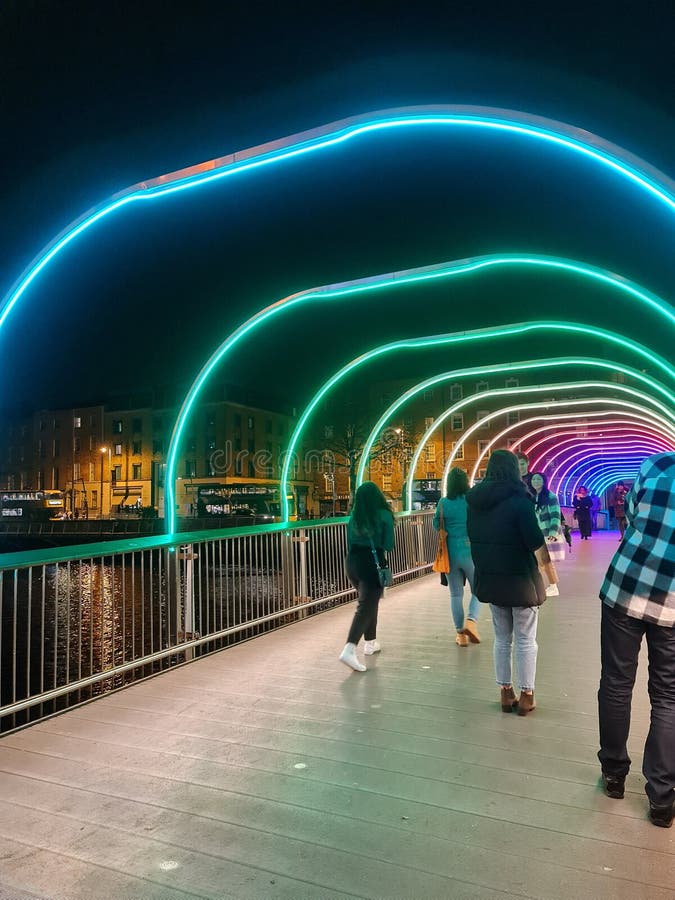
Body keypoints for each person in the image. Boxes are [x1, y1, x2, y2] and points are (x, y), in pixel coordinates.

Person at [597, 453, 675, 828]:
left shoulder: (656, 467)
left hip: (625, 587)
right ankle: (661, 797)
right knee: (668, 696)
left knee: (615, 682)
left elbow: (631, 519)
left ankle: (613, 774)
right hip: (673, 605)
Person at [466, 450, 546, 715]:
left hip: (491, 579)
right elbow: (534, 540)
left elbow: (473, 537)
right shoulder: (520, 501)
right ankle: (527, 695)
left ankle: (505, 692)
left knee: (502, 639)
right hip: (521, 579)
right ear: (514, 470)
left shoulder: (475, 503)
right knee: (525, 639)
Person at [339, 481, 395, 672]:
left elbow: (349, 541)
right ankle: (349, 648)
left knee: (370, 602)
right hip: (372, 563)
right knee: (366, 606)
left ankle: (370, 643)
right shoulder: (384, 515)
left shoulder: (354, 517)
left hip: (352, 563)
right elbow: (388, 545)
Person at [433, 467, 480, 647]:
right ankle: (471, 621)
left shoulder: (443, 502)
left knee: (455, 595)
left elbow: (436, 523)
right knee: (478, 590)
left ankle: (460, 635)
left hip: (450, 553)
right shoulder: (471, 501)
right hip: (470, 551)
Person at [530, 471, 562, 597]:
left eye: (538, 479)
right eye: (533, 480)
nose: (536, 482)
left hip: (547, 534)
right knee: (541, 561)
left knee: (543, 561)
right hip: (538, 533)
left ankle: (552, 586)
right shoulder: (534, 497)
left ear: (544, 481)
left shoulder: (550, 496)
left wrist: (553, 532)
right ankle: (549, 586)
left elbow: (555, 515)